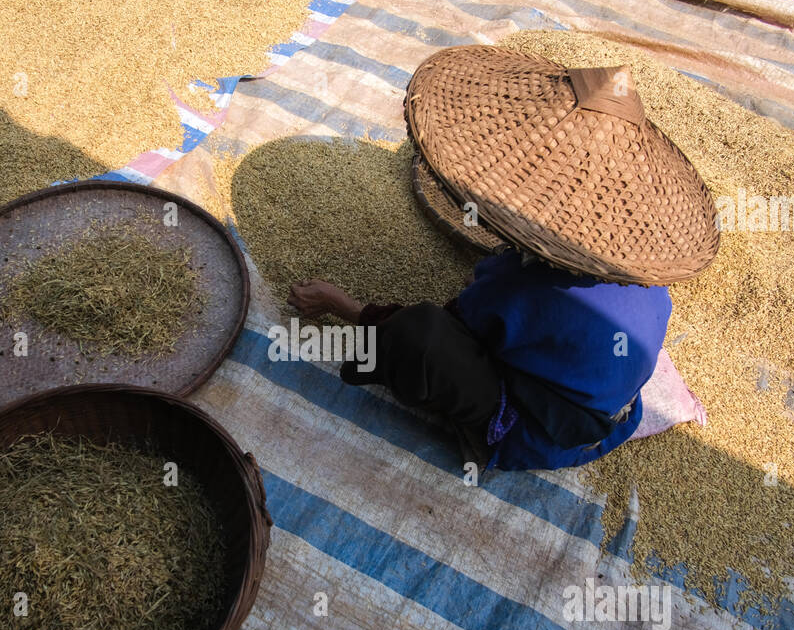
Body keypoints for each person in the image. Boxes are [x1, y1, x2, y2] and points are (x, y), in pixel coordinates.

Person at [287, 46, 718, 472]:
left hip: (545, 430)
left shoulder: (520, 288)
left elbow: (457, 325)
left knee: (420, 336)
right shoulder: (646, 274)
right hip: (610, 403)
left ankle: (490, 431)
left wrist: (345, 307)